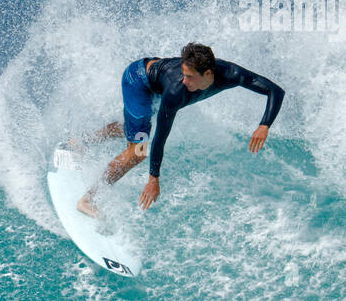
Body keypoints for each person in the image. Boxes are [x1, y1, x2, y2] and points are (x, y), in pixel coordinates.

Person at [75, 42, 284, 217]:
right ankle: (87, 199)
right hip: (137, 82)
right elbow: (160, 137)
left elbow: (275, 90)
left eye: (190, 76)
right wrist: (153, 178)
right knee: (138, 151)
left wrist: (264, 125)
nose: (185, 81)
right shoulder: (177, 90)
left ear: (208, 73)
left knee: (135, 131)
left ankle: (85, 141)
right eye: (183, 74)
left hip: (155, 84)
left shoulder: (231, 73)